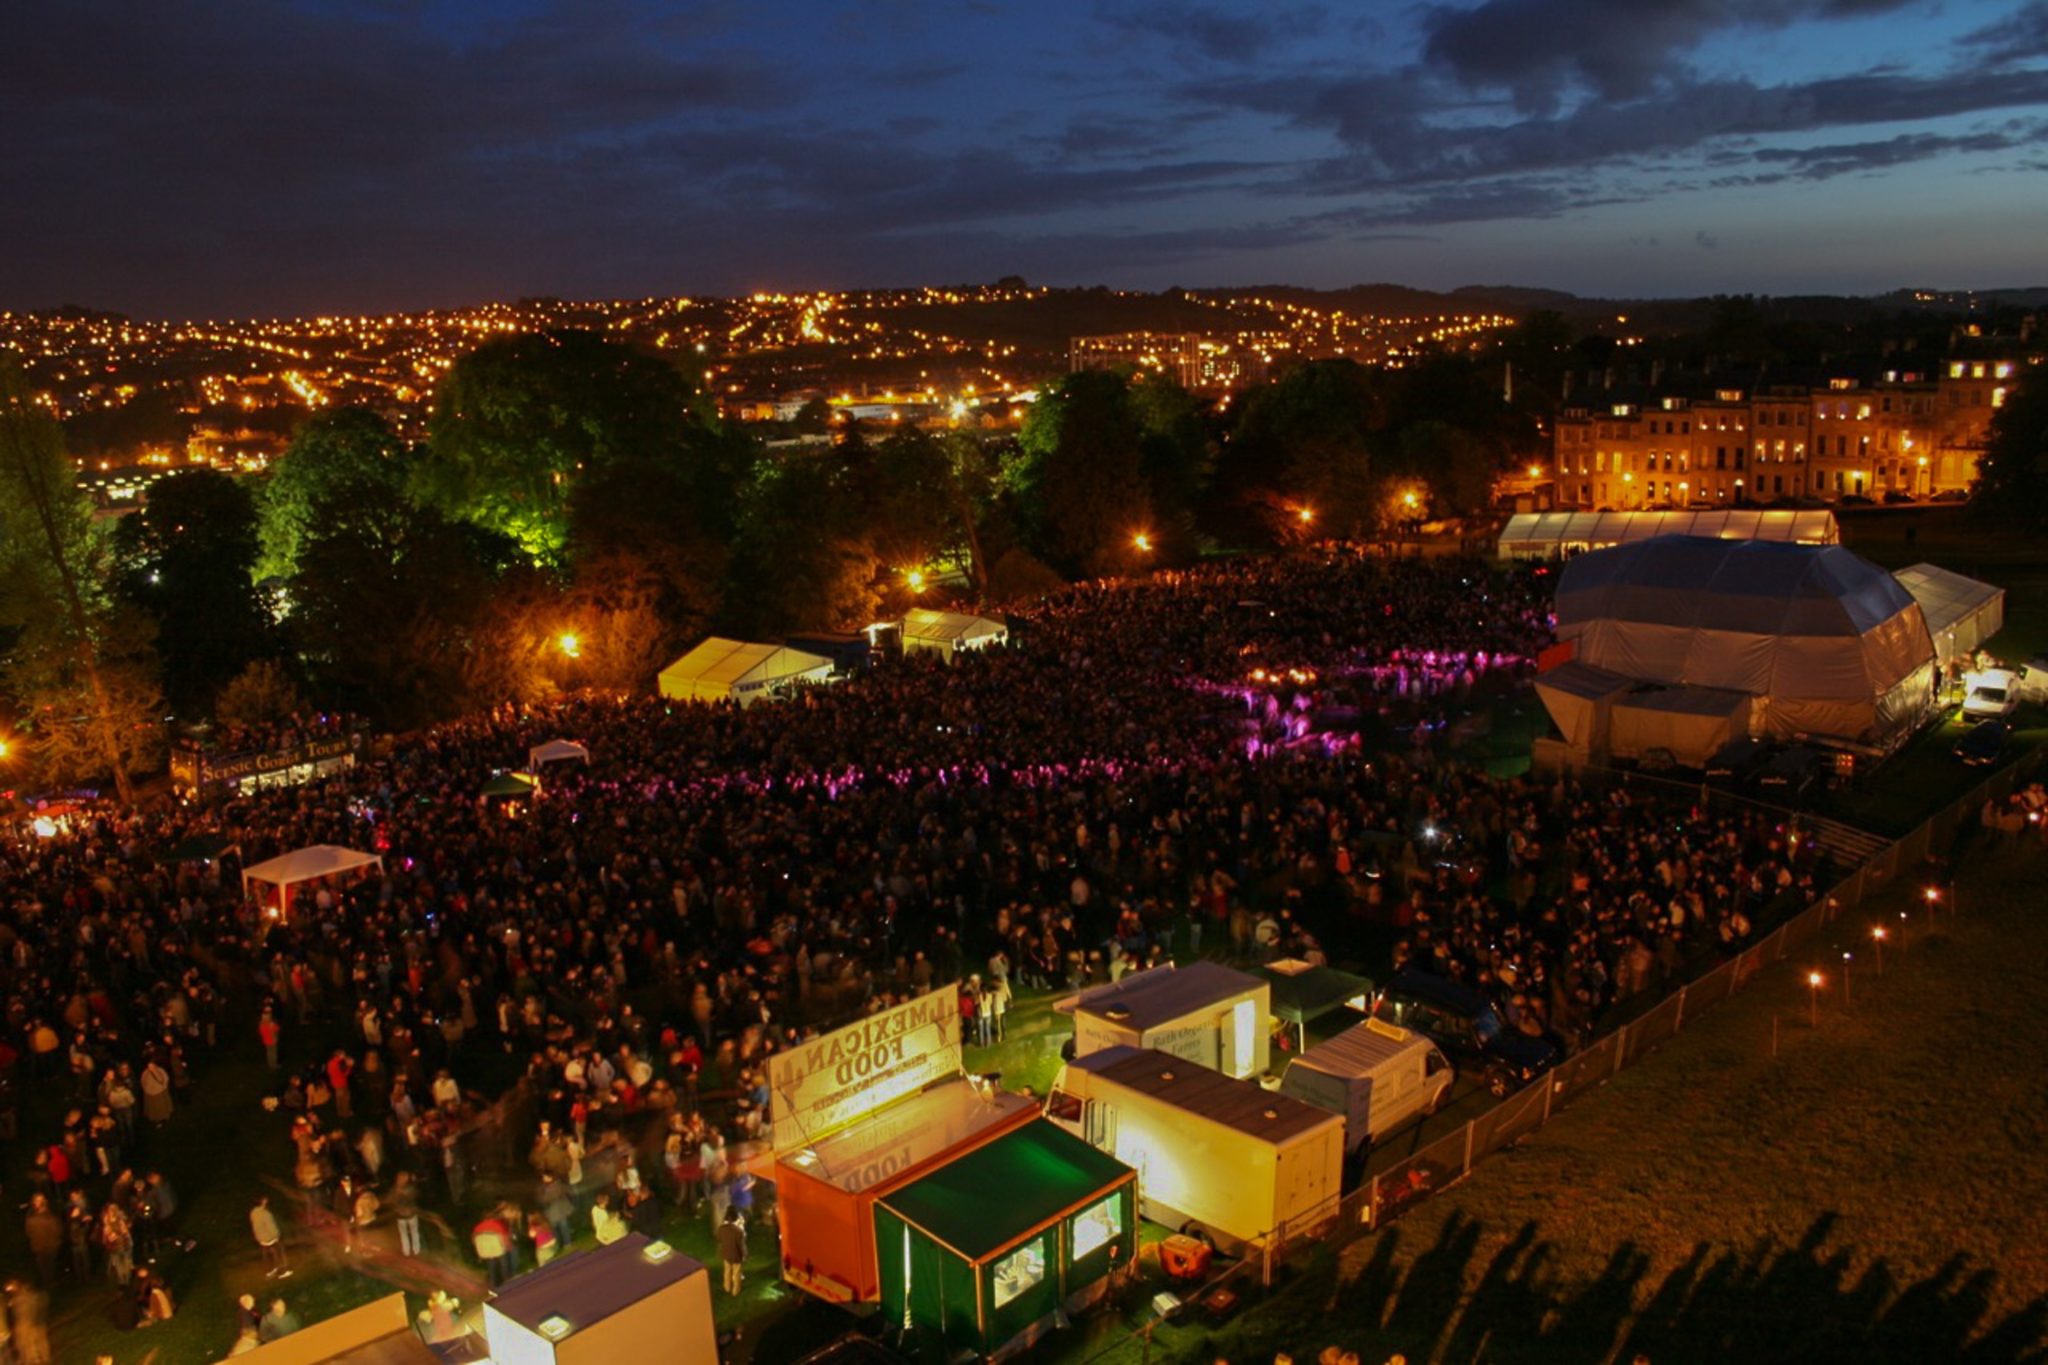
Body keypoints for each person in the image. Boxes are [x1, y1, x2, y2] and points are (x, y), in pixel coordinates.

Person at [22, 1195, 62, 1286]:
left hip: (49, 1246)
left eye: (39, 1201)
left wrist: (55, 1242)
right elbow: (28, 1232)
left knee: (50, 1267)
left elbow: (57, 1230)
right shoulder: (32, 1218)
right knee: (44, 1269)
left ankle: (51, 1285)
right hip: (40, 1247)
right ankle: (48, 1285)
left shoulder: (50, 1217)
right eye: (36, 1201)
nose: (37, 1203)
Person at [250, 1196, 289, 1278]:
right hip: (270, 1238)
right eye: (265, 1199)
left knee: (268, 1256)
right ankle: (282, 1272)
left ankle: (270, 1271)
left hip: (261, 1239)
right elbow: (271, 1226)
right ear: (263, 1201)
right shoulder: (265, 1213)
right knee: (278, 1254)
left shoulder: (253, 1212)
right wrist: (277, 1235)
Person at [716, 1205, 747, 1296]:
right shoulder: (738, 1231)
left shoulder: (721, 1229)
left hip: (725, 1253)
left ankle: (727, 1287)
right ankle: (735, 1291)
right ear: (735, 1218)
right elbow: (741, 1245)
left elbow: (719, 1240)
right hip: (736, 1255)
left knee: (727, 1271)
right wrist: (744, 1254)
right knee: (736, 1273)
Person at [391, 1170, 423, 1256]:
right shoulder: (410, 1188)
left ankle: (406, 1251)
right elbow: (416, 1195)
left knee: (403, 1234)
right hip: (411, 1213)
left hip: (400, 1215)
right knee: (414, 1231)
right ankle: (416, 1250)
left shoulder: (395, 1189)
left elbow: (393, 1201)